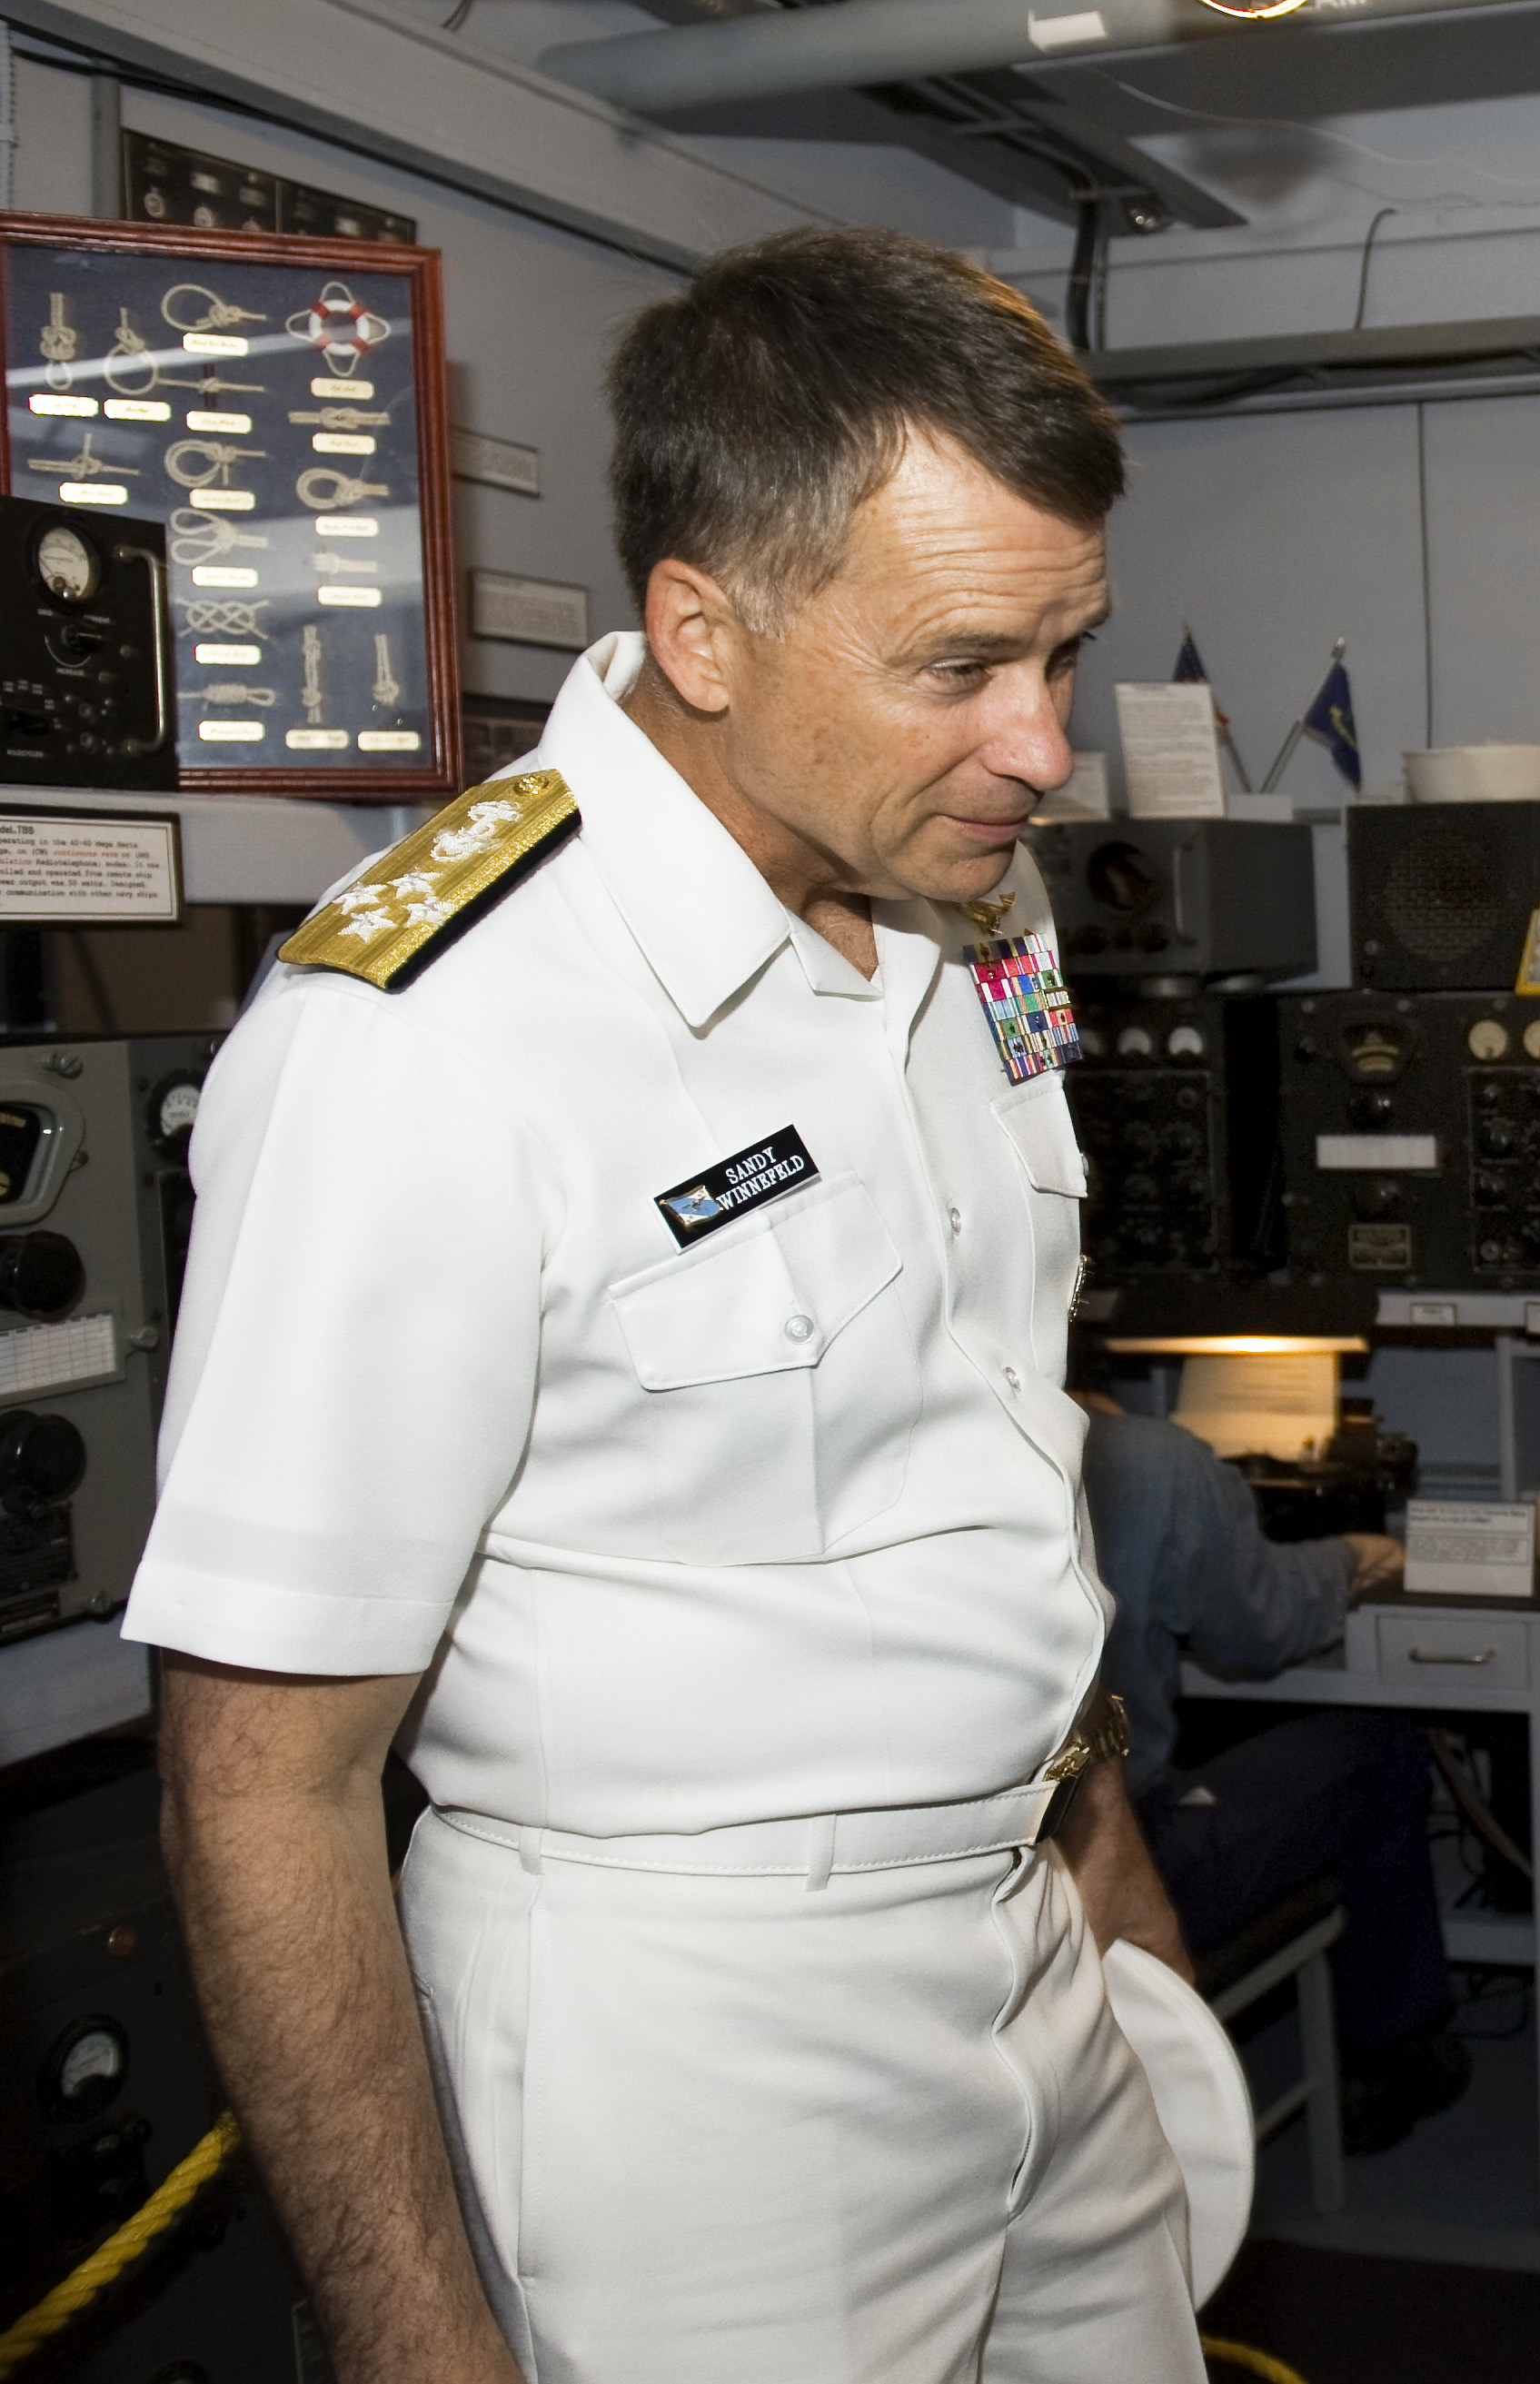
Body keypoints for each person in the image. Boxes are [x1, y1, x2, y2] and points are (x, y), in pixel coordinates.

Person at [129, 228, 1205, 2382]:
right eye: (964, 662)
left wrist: (1099, 1856)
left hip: (1029, 1951)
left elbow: (976, 1431)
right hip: (692, 2043)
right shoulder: (434, 1030)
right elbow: (262, 1781)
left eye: (1066, 652)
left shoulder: (961, 900)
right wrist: (420, 2341)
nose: (1045, 746)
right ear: (704, 631)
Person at [1072, 1399, 1475, 2151]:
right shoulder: (1146, 1458)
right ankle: (1388, 2059)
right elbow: (1261, 1628)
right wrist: (1352, 1557)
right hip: (1127, 1870)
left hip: (978, 1899)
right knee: (1379, 1747)